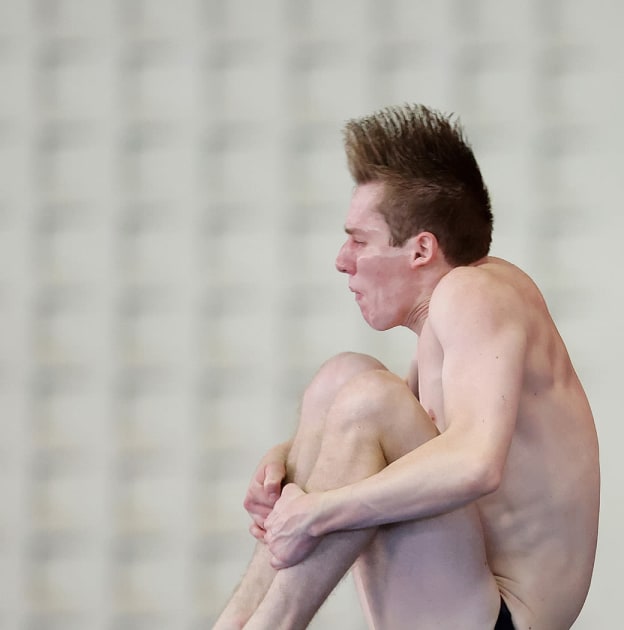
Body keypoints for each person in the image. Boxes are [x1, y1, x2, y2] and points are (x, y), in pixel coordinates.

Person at [212, 104, 601, 630]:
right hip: (469, 598)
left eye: (359, 239)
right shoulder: (463, 311)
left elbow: (474, 463)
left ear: (421, 249)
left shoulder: (474, 293)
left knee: (366, 400)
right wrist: (292, 466)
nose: (341, 260)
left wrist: (319, 512)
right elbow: (415, 436)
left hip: (502, 618)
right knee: (342, 379)